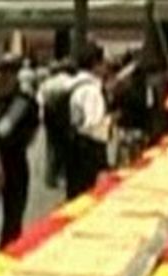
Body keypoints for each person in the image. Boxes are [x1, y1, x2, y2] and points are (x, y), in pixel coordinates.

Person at [0, 55, 40, 247]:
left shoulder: (24, 102)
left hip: (14, 163)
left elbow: (26, 132)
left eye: (6, 73)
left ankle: (7, 255)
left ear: (15, 75)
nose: (0, 77)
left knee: (13, 217)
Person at [65, 43, 111, 200]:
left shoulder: (74, 84)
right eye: (103, 62)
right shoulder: (91, 90)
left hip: (74, 148)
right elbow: (94, 125)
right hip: (89, 151)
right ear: (95, 64)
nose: (106, 67)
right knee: (89, 197)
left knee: (76, 195)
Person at [37, 60, 76, 190]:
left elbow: (40, 100)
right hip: (65, 118)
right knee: (66, 147)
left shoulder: (48, 83)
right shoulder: (69, 81)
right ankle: (62, 175)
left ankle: (50, 177)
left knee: (51, 147)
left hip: (50, 118)